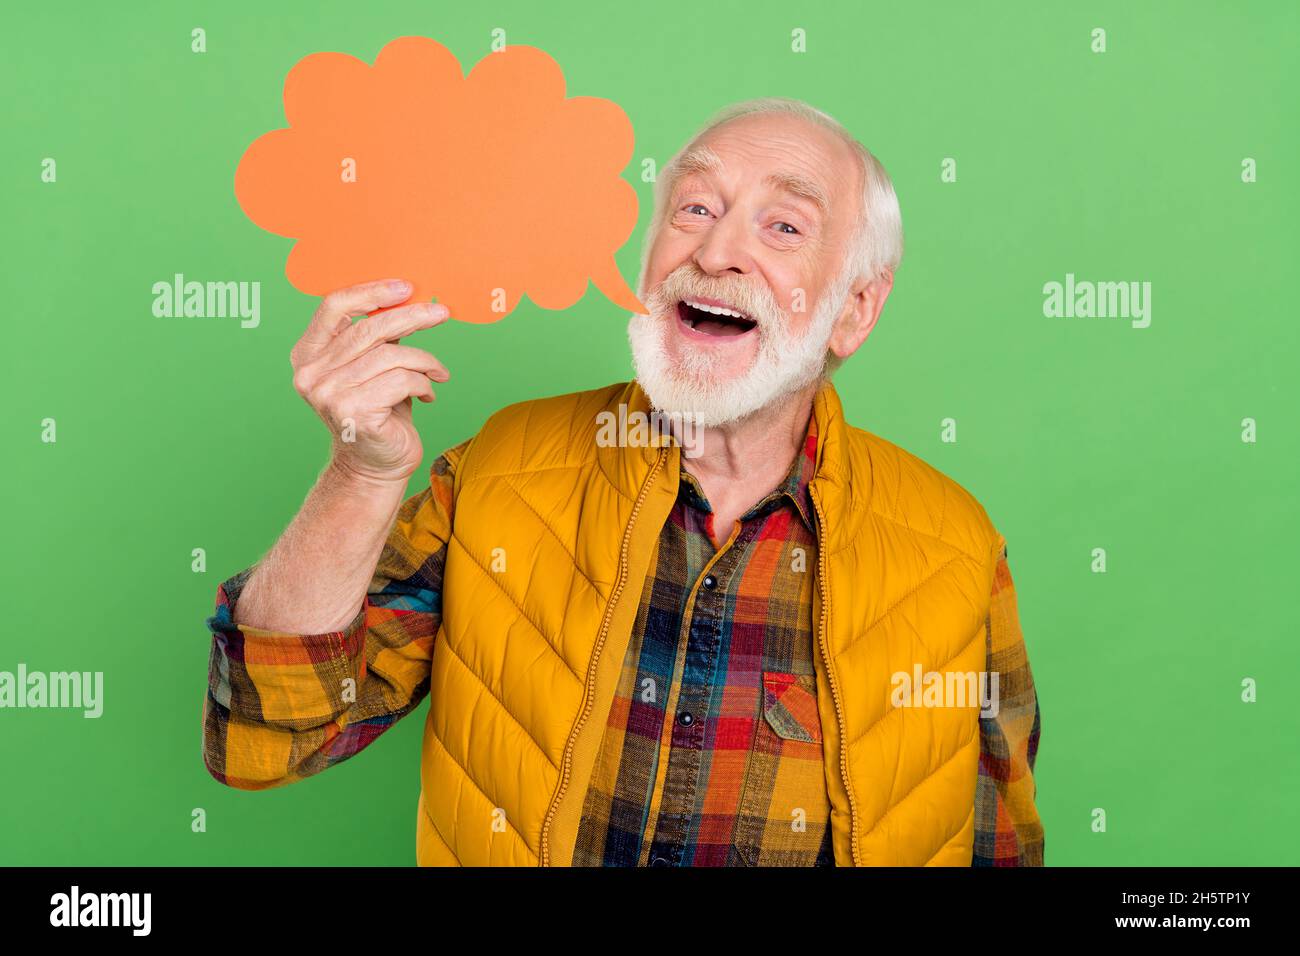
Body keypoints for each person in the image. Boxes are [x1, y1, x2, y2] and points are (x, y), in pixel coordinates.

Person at [202, 97, 1043, 866]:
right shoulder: (502, 472)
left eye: (783, 227)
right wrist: (361, 471)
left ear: (856, 309)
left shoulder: (955, 547)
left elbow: (997, 845)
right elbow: (268, 736)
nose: (715, 252)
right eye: (695, 209)